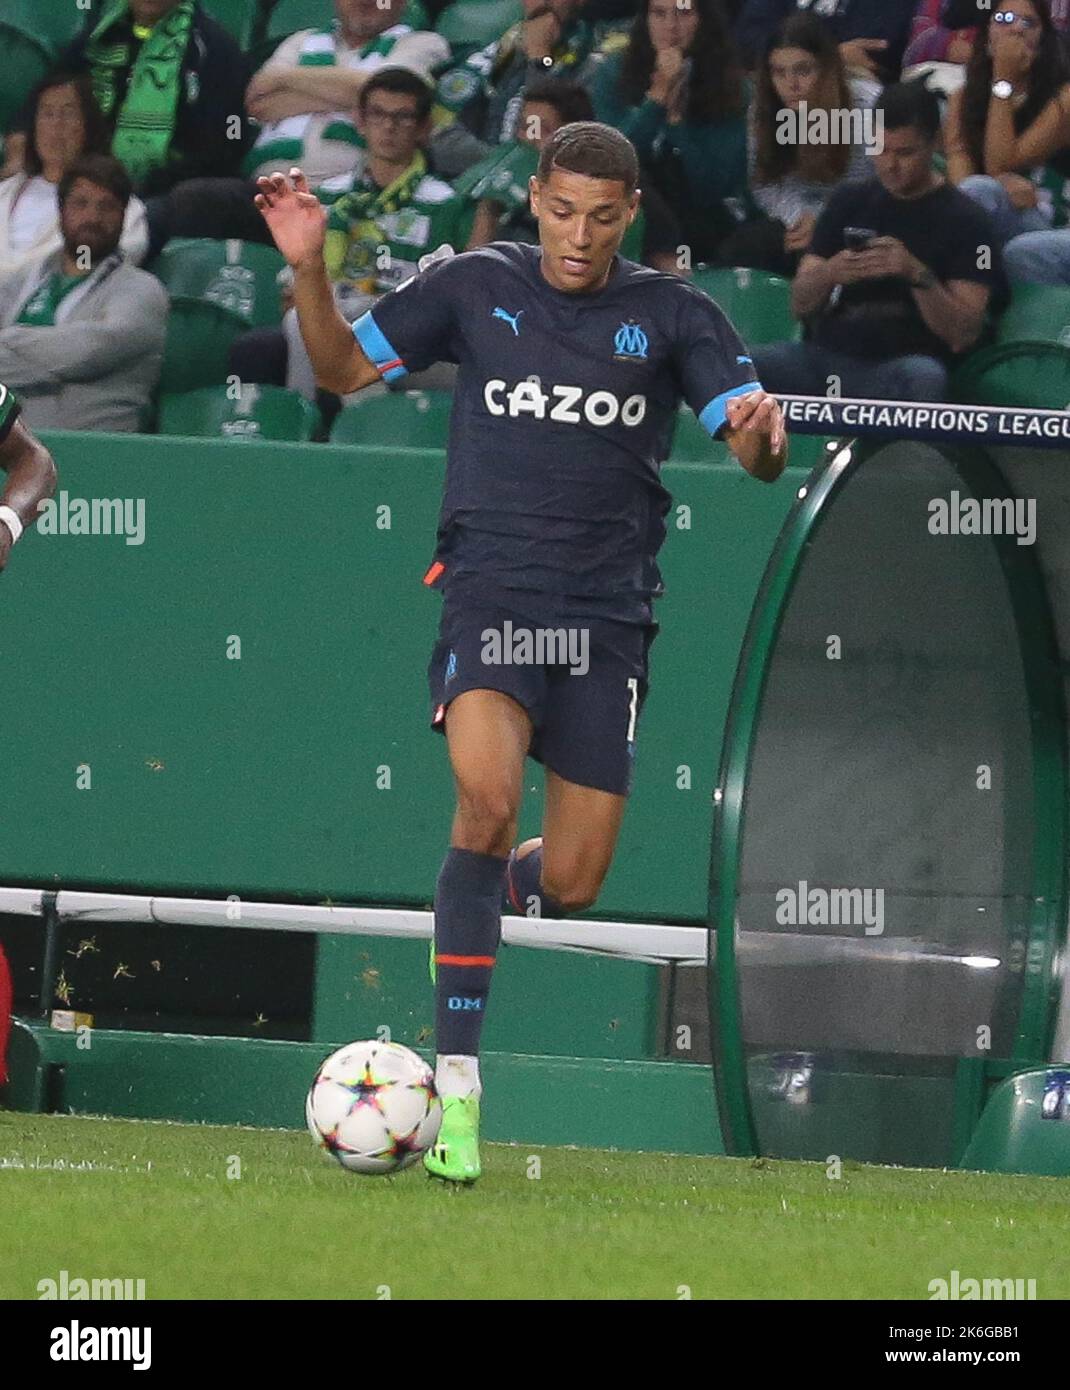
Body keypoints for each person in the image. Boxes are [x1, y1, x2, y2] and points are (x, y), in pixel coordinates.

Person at [255, 121, 787, 1184]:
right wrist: (310, 266)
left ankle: (465, 903)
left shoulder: (676, 314)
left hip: (608, 618)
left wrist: (763, 435)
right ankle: (459, 1087)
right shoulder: (472, 283)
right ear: (535, 195)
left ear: (626, 211)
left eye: (600, 215)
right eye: (559, 209)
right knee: (488, 808)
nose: (577, 236)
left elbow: (752, 449)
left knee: (577, 879)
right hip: (491, 594)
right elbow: (337, 366)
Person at [753, 81, 1004, 402]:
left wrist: (917, 275)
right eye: (880, 149)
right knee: (740, 366)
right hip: (830, 355)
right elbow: (799, 304)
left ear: (933, 144)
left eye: (904, 153)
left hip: (904, 364)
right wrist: (830, 273)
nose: (890, 164)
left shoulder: (967, 220)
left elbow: (963, 334)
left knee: (924, 378)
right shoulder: (849, 200)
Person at [231, 68, 468, 405]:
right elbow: (293, 289)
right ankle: (311, 423)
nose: (388, 127)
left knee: (344, 329)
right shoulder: (328, 197)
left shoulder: (445, 203)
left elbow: (447, 301)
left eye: (403, 117)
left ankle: (342, 430)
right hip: (335, 314)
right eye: (379, 115)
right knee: (301, 321)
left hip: (408, 330)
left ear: (423, 128)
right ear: (359, 120)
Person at [152, 0, 449, 252]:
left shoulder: (422, 44)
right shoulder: (301, 40)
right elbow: (259, 100)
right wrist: (348, 94)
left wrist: (286, 80)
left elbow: (385, 93)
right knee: (189, 199)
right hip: (269, 196)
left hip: (347, 202)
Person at [5, 1, 251, 217]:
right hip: (85, 179)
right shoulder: (99, 37)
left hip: (160, 193)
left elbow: (223, 152)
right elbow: (47, 95)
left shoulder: (215, 48)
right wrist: (20, 143)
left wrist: (132, 182)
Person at [0, 155, 168, 432]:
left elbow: (90, 351)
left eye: (107, 206)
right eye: (81, 203)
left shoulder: (142, 290)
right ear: (61, 210)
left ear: (124, 215)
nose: (92, 217)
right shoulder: (20, 283)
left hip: (94, 452)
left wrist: (9, 340)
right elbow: (70, 355)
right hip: (12, 457)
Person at [461, 76, 682, 272]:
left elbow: (669, 260)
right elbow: (474, 271)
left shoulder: (620, 189)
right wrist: (489, 209)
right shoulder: (506, 180)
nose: (529, 139)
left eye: (543, 130)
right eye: (524, 127)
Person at [588, 0, 750, 264]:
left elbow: (712, 187)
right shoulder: (614, 72)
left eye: (684, 13)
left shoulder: (733, 87)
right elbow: (609, 163)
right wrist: (657, 99)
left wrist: (677, 125)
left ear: (705, 19)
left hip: (702, 216)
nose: (670, 27)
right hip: (630, 211)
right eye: (659, 14)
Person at [721, 12, 879, 275]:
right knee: (742, 249)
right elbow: (765, 184)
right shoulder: (763, 109)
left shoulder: (869, 108)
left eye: (803, 70)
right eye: (779, 72)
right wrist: (799, 217)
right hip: (797, 222)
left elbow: (879, 189)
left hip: (858, 225)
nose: (791, 84)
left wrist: (824, 221)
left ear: (827, 68)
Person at [431, 0, 625, 179]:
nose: (542, 3)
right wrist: (500, 162)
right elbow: (439, 140)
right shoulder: (508, 47)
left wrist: (539, 61)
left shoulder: (596, 60)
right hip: (478, 184)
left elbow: (537, 144)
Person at [0, 72, 148, 279]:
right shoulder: (5, 193)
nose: (56, 125)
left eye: (68, 114)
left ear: (88, 126)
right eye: (47, 113)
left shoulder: (110, 205)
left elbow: (92, 266)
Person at [946, 0, 1070, 244]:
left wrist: (1003, 79)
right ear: (986, 35)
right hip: (989, 211)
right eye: (1004, 19)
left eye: (1029, 23)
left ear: (1043, 42)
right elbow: (962, 179)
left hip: (1050, 224)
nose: (1016, 29)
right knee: (974, 193)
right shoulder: (962, 97)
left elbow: (1001, 164)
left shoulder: (1064, 98)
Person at [735, 0, 920, 83]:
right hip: (776, 90)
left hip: (854, 98)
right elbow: (749, 37)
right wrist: (831, 56)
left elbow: (872, 50)